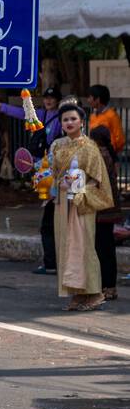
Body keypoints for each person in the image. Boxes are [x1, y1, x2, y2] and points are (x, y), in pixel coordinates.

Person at [49, 100, 114, 311]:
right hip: (62, 203)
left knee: (84, 247)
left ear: (81, 122)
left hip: (82, 203)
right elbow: (52, 173)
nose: (69, 122)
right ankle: (76, 293)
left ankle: (95, 293)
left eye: (73, 119)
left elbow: (99, 180)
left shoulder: (89, 147)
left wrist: (80, 189)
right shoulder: (57, 145)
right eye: (65, 119)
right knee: (65, 247)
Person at [0, 87, 62, 274]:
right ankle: (53, 263)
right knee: (49, 223)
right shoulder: (40, 114)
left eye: (52, 98)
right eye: (46, 97)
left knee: (52, 225)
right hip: (45, 173)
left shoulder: (61, 124)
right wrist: (2, 107)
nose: (49, 100)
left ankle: (53, 264)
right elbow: (22, 112)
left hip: (57, 181)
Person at [89, 125, 121, 303]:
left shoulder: (100, 155)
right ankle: (109, 287)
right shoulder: (109, 154)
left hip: (101, 210)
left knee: (103, 249)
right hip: (109, 209)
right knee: (107, 248)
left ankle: (106, 287)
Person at [87, 84, 124, 154]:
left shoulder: (112, 115)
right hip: (95, 154)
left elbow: (119, 139)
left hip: (109, 154)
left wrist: (113, 154)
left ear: (97, 99)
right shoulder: (93, 116)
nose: (88, 100)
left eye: (89, 97)